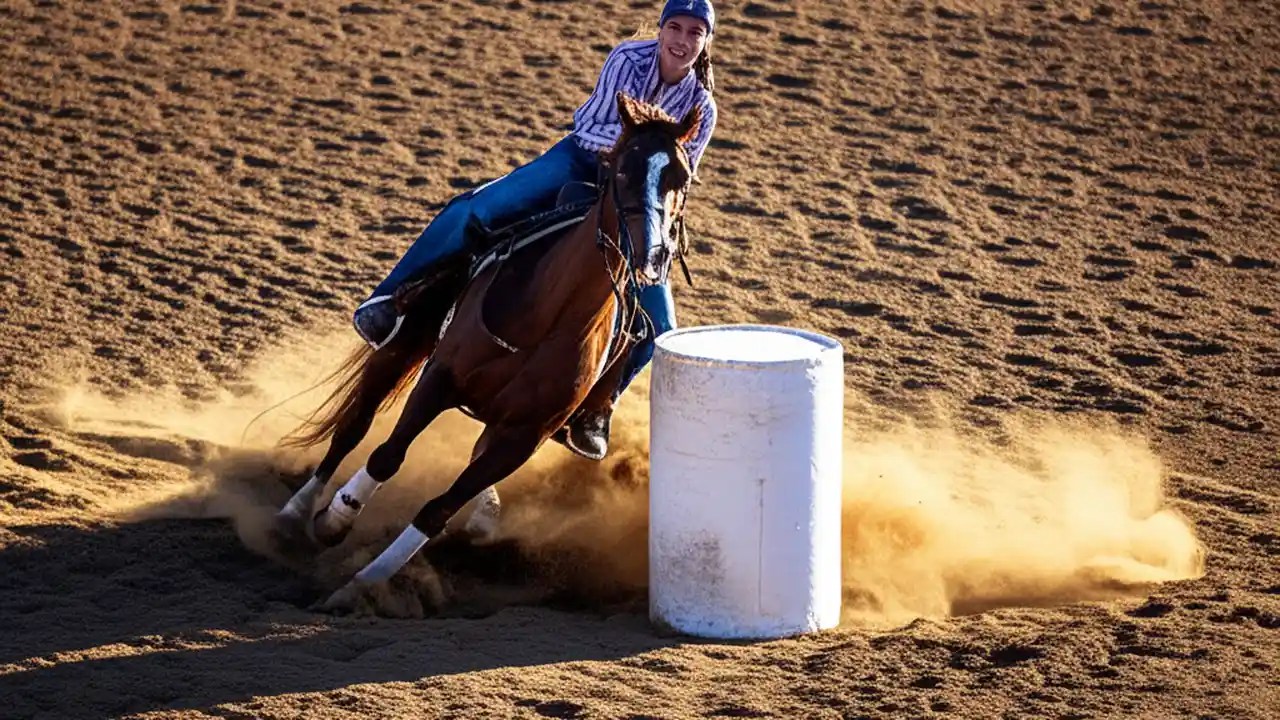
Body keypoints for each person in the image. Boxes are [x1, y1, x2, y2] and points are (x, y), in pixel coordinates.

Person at [353, 0, 718, 457]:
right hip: (581, 161)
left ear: (705, 42)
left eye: (694, 33)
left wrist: (646, 178)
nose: (682, 40)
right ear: (662, 30)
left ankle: (596, 408)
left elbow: (677, 177)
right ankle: (388, 301)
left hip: (635, 199)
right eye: (676, 28)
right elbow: (594, 128)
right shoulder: (628, 59)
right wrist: (643, 148)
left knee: (659, 327)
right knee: (477, 209)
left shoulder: (703, 106)